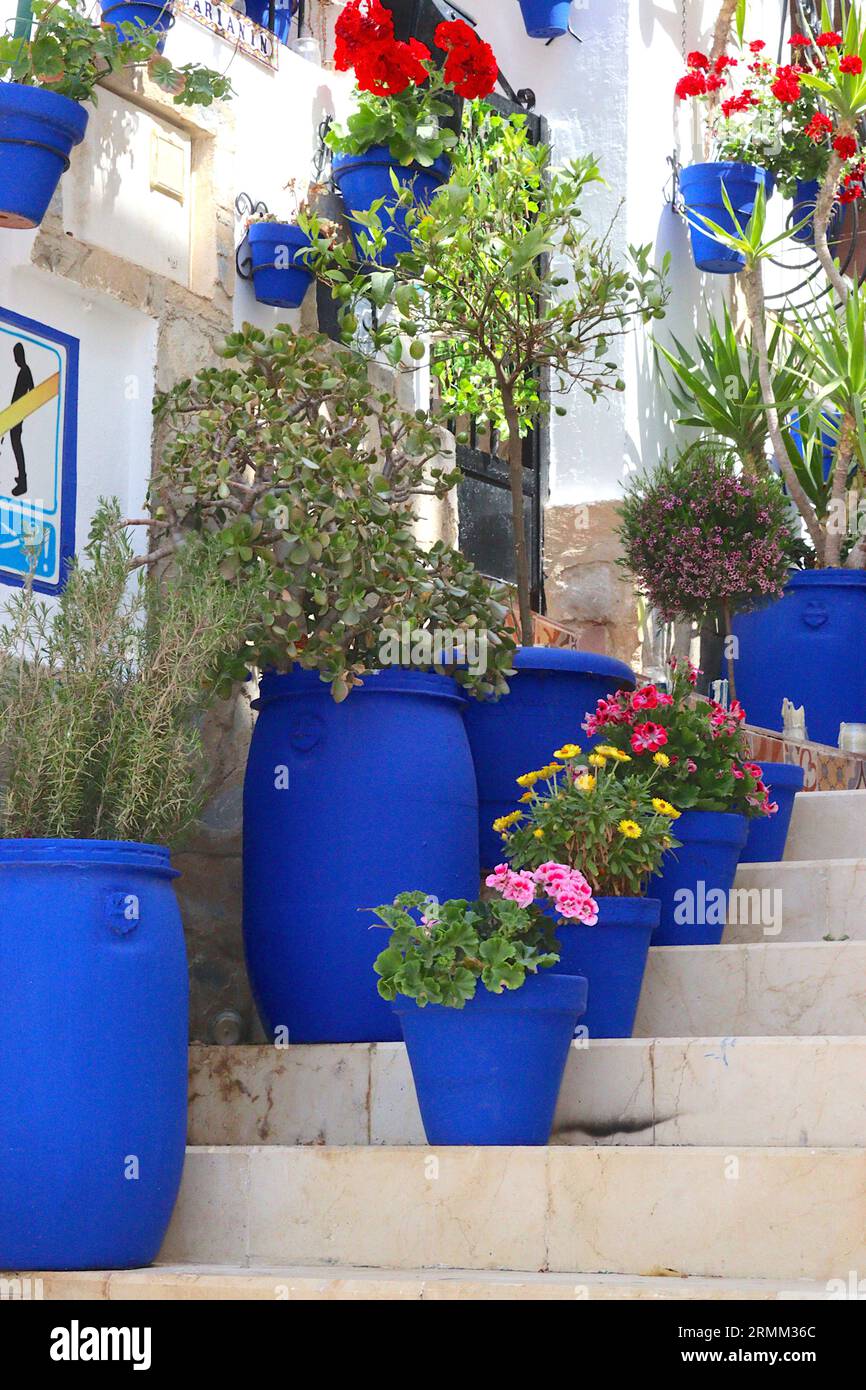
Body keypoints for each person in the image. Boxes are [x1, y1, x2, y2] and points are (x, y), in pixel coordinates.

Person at [9, 342, 33, 497]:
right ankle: (21, 476)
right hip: (15, 413)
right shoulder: (24, 371)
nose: (15, 359)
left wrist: (22, 409)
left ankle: (23, 481)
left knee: (17, 446)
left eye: (16, 356)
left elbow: (32, 390)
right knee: (15, 445)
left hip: (18, 414)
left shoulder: (25, 371)